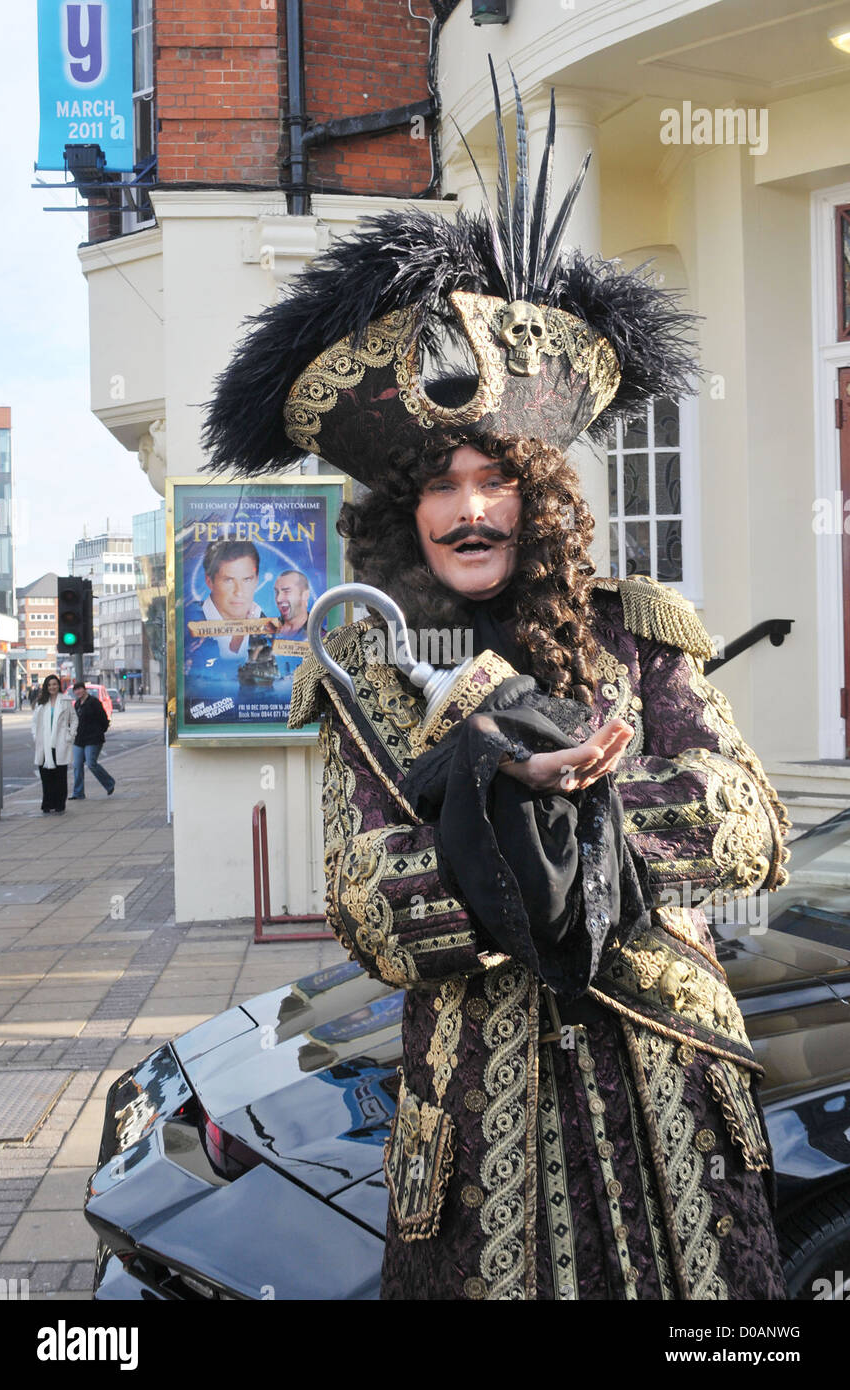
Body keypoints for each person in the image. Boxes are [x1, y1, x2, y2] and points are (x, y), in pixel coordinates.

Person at [203, 65, 792, 1301]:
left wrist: (551, 806)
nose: (469, 508)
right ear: (400, 514)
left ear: (540, 493)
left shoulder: (637, 636)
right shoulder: (365, 673)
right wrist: (537, 807)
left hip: (671, 1109)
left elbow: (747, 825)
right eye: (437, 482)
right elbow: (375, 908)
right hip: (481, 1147)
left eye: (495, 475)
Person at [185, 540, 275, 674]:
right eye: (228, 580)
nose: (239, 591)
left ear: (256, 580)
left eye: (247, 579)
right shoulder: (188, 624)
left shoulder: (268, 629)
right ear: (209, 581)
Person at [32, 673, 77, 813]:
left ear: (59, 686)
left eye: (55, 684)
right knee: (46, 776)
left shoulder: (66, 700)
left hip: (60, 742)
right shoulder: (41, 702)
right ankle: (47, 803)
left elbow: (74, 719)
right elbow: (34, 722)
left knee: (60, 776)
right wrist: (35, 736)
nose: (52, 687)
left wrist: (70, 735)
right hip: (44, 744)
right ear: (46, 686)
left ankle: (59, 804)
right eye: (50, 685)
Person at [70, 681, 116, 799]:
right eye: (76, 690)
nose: (78, 692)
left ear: (84, 689)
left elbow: (103, 719)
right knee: (77, 765)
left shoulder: (94, 702)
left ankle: (109, 783)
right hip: (79, 739)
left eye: (79, 689)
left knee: (91, 763)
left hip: (93, 739)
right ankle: (78, 793)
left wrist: (100, 731)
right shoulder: (77, 704)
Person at [274, 569, 311, 639]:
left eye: (286, 591)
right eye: (276, 592)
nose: (278, 599)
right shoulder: (269, 630)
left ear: (305, 595)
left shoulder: (318, 635)